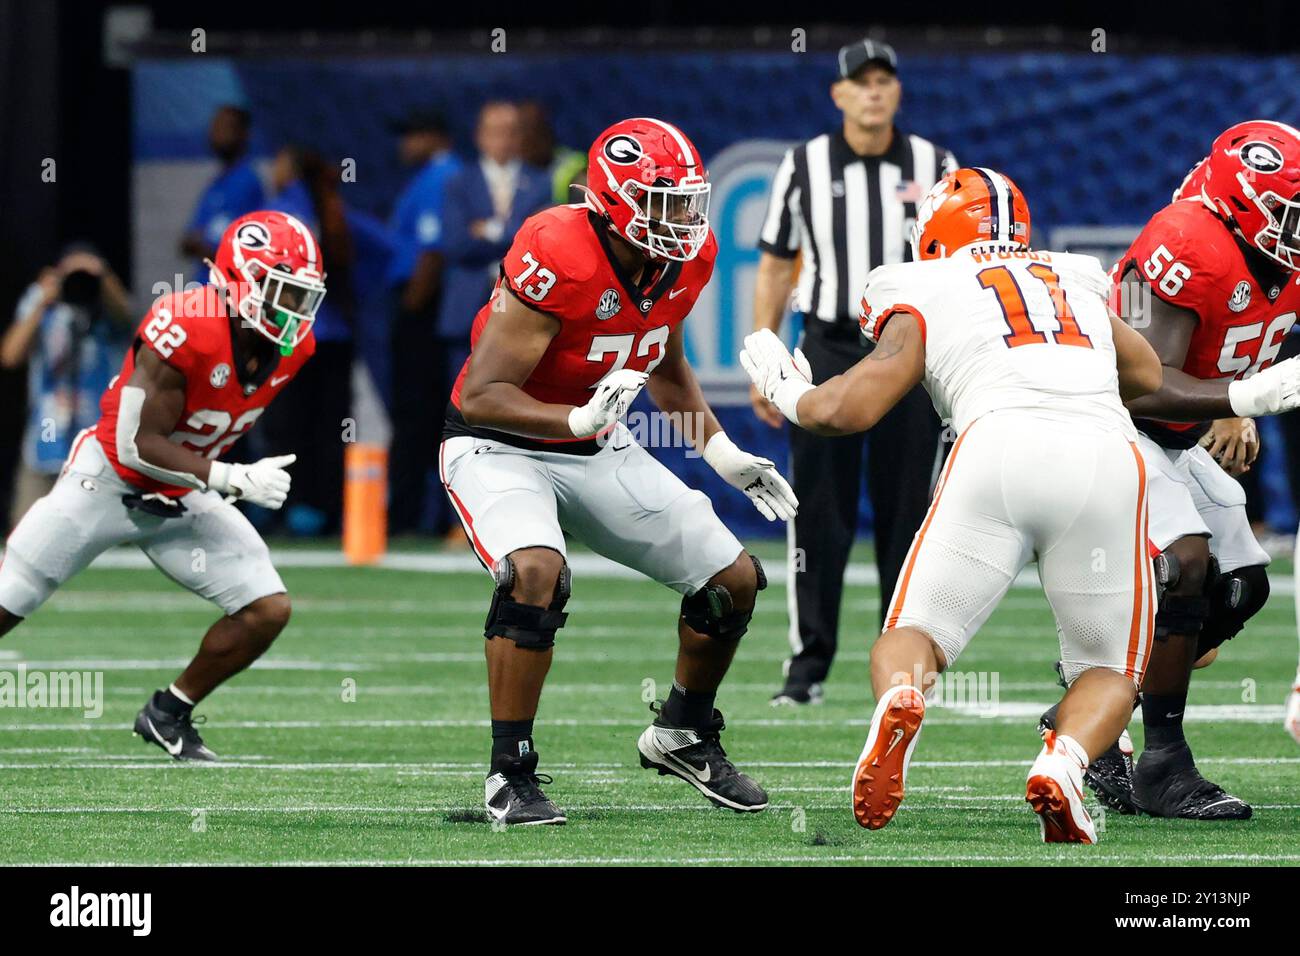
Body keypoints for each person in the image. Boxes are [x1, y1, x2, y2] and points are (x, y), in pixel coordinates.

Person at [743, 167, 1163, 843]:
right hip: (1105, 455)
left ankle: (902, 696)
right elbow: (1146, 374)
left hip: (995, 446)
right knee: (1110, 669)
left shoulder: (921, 282)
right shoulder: (1072, 275)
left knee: (916, 633)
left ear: (934, 235)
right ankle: (1064, 761)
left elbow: (853, 407)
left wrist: (789, 391)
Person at [441, 118, 798, 826]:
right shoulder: (557, 249)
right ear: (615, 201)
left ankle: (682, 732)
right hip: (496, 443)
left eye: (689, 202)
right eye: (666, 204)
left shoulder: (683, 260)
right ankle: (508, 773)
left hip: (595, 445)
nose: (685, 220)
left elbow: (664, 363)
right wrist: (573, 420)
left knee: (731, 581)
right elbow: (480, 393)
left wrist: (721, 454)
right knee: (535, 573)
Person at [0, 212, 326, 761]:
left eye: (302, 297)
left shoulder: (297, 347)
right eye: (281, 293)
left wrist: (215, 476)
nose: (294, 312)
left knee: (265, 608)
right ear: (238, 282)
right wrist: (230, 477)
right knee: (9, 600)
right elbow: (137, 444)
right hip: (107, 479)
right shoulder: (185, 322)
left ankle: (167, 712)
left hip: (178, 493)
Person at [1068, 120, 1300, 816]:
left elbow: (1232, 345)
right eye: (1289, 215)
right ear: (1244, 202)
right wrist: (1237, 397)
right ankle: (1163, 761)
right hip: (1104, 421)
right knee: (1187, 560)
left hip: (1175, 434)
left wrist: (1231, 401)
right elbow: (1134, 380)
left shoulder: (1276, 258)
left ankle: (1092, 711)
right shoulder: (1186, 240)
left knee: (1243, 588)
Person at [754, 39, 958, 706]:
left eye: (884, 81)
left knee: (910, 512)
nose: (873, 92)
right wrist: (768, 357)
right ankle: (807, 666)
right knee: (818, 512)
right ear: (839, 94)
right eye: (860, 82)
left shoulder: (936, 165)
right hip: (831, 345)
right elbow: (778, 262)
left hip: (909, 349)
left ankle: (900, 666)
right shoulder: (804, 165)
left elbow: (959, 266)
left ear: (898, 92)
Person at [2, 246, 132, 527]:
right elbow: (10, 356)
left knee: (103, 535)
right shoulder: (44, 306)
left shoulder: (108, 308)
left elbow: (129, 318)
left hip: (99, 441)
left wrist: (102, 277)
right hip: (46, 435)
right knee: (25, 530)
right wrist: (42, 300)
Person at [264, 145, 357, 534]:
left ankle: (289, 508)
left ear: (290, 167)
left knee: (287, 427)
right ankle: (330, 511)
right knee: (330, 429)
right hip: (333, 336)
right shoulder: (331, 205)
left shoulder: (282, 208)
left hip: (291, 337)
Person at [436, 101, 551, 395]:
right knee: (463, 397)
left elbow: (537, 243)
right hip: (466, 306)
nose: (503, 139)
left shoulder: (540, 182)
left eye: (510, 132)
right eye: (495, 132)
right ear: (479, 136)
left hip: (522, 305)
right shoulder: (457, 183)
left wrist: (488, 229)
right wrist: (511, 234)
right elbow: (456, 244)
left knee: (519, 395)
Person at [385, 110, 461, 535]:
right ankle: (423, 515)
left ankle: (410, 517)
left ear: (436, 135)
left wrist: (411, 312)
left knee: (418, 412)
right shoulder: (428, 176)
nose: (405, 145)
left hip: (426, 305)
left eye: (412, 134)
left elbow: (432, 253)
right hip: (424, 303)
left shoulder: (441, 175)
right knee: (422, 413)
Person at [179, 106, 266, 282]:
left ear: (243, 134)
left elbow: (242, 254)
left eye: (225, 127)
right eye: (214, 127)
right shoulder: (215, 184)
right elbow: (187, 241)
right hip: (205, 291)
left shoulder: (248, 182)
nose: (216, 134)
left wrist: (203, 246)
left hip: (232, 296)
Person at [517, 100, 587, 205]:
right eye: (524, 129)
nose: (531, 136)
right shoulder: (510, 169)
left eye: (537, 128)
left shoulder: (574, 163)